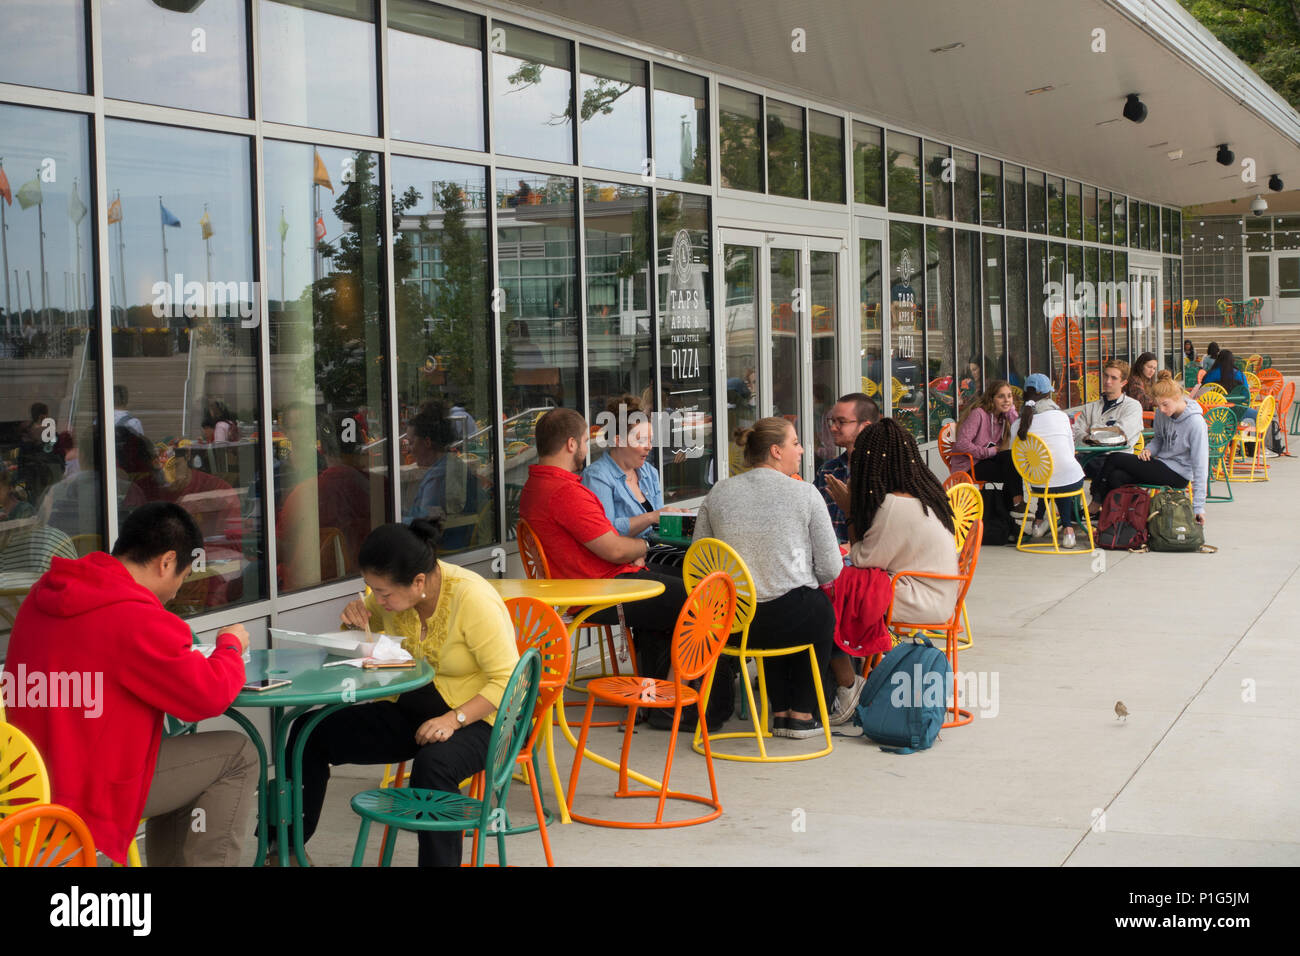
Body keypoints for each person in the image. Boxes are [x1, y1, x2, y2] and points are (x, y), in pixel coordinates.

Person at [4, 501, 256, 865]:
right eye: (182, 577)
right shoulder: (135, 615)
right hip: (86, 793)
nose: (175, 592)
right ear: (167, 562)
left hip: (23, 786)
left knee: (183, 762)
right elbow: (209, 694)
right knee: (238, 755)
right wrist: (230, 645)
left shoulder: (45, 592)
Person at [288, 519, 519, 867]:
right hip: (413, 710)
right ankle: (285, 848)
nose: (377, 599)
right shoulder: (392, 594)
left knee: (433, 766)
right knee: (310, 731)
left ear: (419, 581)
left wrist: (453, 719)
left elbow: (508, 680)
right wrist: (354, 623)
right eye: (371, 589)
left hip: (485, 716)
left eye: (384, 593)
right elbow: (365, 642)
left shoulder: (472, 599)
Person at [519, 408, 695, 698]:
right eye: (586, 441)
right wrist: (643, 547)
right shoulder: (565, 492)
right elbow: (614, 548)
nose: (587, 449)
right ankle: (673, 700)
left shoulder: (535, 486)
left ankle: (652, 691)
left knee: (682, 582)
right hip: (600, 591)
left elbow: (609, 544)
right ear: (571, 444)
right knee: (698, 596)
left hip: (589, 584)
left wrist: (633, 551)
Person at [693, 417, 841, 738]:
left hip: (730, 627)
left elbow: (701, 560)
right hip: (786, 621)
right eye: (795, 443)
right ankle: (801, 714)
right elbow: (831, 568)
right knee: (813, 607)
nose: (801, 450)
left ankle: (779, 712)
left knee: (772, 598)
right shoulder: (805, 493)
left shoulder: (718, 492)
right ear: (776, 451)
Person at [843, 418, 958, 708]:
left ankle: (847, 686)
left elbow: (863, 559)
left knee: (839, 592)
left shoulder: (895, 504)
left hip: (918, 599)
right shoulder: (923, 494)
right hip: (939, 594)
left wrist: (850, 513)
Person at [1089, 374, 1208, 524]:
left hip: (1179, 474)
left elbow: (1201, 465)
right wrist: (1149, 450)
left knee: (1115, 458)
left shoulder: (1196, 423)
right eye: (1158, 405)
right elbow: (1158, 439)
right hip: (1160, 464)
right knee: (1117, 476)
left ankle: (1095, 503)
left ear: (1178, 397)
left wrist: (1198, 507)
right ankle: (1124, 520)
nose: (1162, 410)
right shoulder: (1161, 413)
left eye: (1165, 404)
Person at [1016, 374, 1087, 548]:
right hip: (1068, 480)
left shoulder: (1018, 423)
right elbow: (1070, 451)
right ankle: (1068, 530)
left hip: (1037, 483)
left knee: (1050, 478)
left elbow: (1017, 454)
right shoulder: (1061, 417)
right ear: (1049, 394)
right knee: (1062, 475)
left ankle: (1039, 522)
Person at [581, 394, 663, 538]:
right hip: (623, 557)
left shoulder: (650, 472)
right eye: (642, 440)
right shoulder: (596, 477)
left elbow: (660, 525)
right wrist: (651, 517)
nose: (649, 447)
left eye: (651, 440)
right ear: (618, 440)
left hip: (652, 552)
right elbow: (607, 533)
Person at [815, 392, 882, 544]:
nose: (833, 428)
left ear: (865, 427)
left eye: (841, 422)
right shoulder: (828, 470)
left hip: (867, 560)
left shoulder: (884, 472)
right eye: (832, 421)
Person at [952, 379, 1023, 514]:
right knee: (1011, 469)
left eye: (1009, 396)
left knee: (1011, 459)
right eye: (1001, 396)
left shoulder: (1003, 417)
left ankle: (1013, 512)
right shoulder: (978, 414)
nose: (1006, 400)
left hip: (986, 461)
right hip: (969, 464)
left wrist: (1010, 412)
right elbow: (962, 443)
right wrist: (988, 452)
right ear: (991, 399)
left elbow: (1018, 431)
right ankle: (1016, 506)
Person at [1073, 359, 1144, 491]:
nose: (1107, 381)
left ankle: (1095, 505)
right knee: (1062, 465)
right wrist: (1099, 434)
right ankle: (1069, 510)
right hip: (1088, 458)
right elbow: (1076, 433)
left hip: (1117, 459)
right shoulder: (1091, 407)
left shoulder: (1132, 406)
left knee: (1110, 472)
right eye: (1105, 375)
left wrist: (1091, 432)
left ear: (1124, 382)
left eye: (1113, 378)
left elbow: (1119, 436)